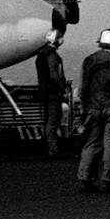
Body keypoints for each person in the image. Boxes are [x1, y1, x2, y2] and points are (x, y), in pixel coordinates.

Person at [76, 28, 110, 193]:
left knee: (91, 144)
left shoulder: (88, 61)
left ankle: (85, 178)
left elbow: (82, 86)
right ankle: (108, 180)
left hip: (91, 108)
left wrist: (83, 108)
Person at [34, 29, 66, 157]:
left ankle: (49, 147)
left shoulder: (41, 55)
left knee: (48, 120)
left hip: (44, 91)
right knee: (53, 120)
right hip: (53, 93)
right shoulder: (51, 55)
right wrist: (61, 88)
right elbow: (54, 75)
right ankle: (53, 149)